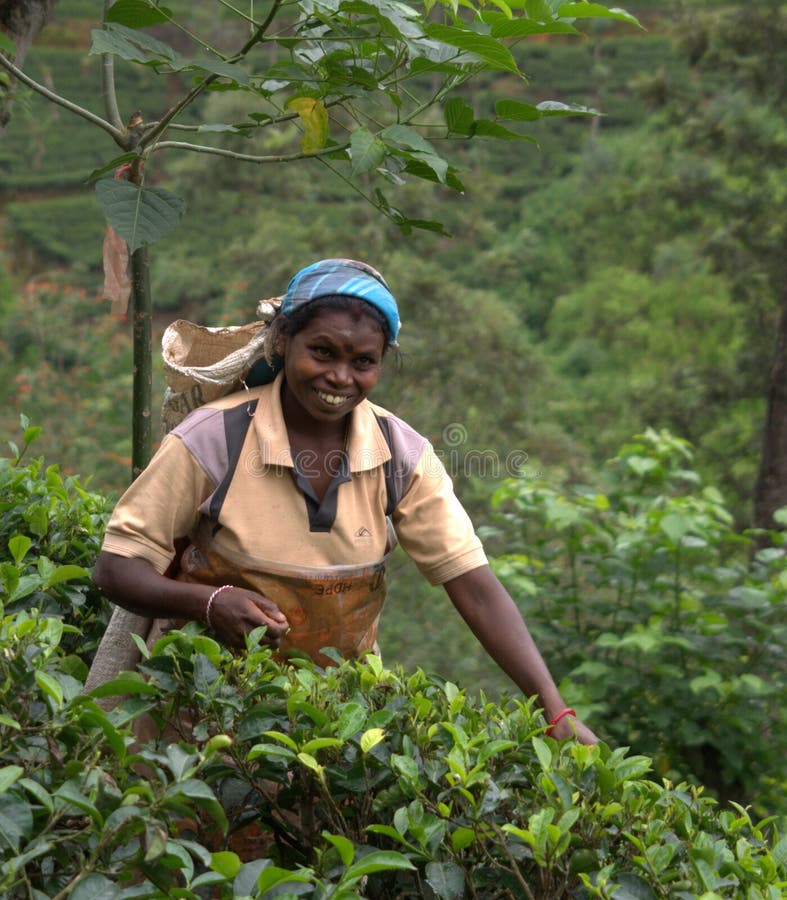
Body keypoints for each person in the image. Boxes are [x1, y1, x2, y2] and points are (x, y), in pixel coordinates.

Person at [93, 258, 597, 745]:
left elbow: (476, 589)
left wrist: (556, 711)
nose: (340, 377)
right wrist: (208, 603)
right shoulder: (213, 439)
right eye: (323, 352)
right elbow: (116, 569)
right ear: (284, 340)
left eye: (363, 363)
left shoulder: (400, 454)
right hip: (199, 720)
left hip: (333, 730)